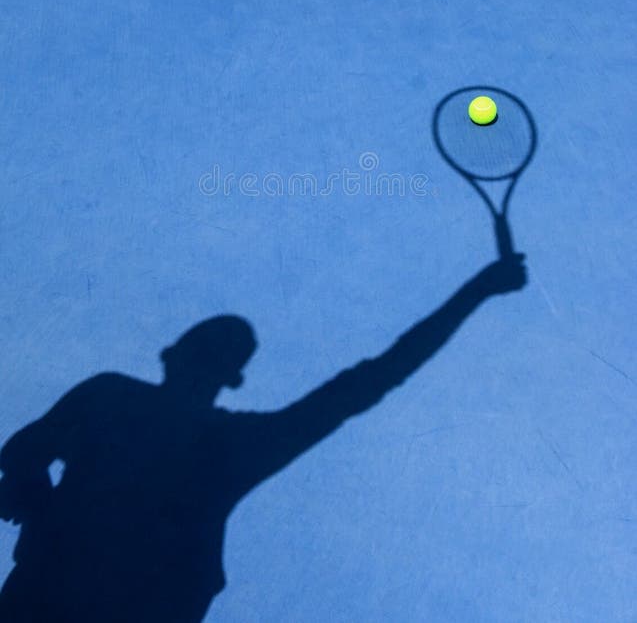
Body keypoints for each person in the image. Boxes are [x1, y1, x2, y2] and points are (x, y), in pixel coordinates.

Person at [0, 254, 525, 622]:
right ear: (232, 377)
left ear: (171, 354)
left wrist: (38, 505)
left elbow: (22, 453)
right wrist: (477, 291)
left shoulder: (113, 397)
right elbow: (374, 379)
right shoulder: (232, 444)